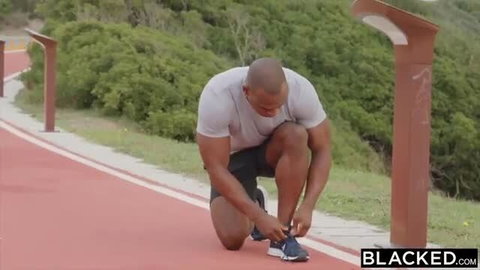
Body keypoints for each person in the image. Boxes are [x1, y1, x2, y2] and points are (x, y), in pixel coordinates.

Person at [196, 58, 331, 262]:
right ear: (246, 91)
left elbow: (322, 150)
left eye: (280, 106)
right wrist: (259, 216)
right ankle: (256, 203)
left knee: (296, 135)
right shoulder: (218, 95)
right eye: (267, 108)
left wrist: (308, 205)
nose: (275, 112)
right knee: (232, 239)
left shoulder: (301, 89)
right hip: (232, 161)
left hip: (275, 151)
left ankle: (282, 236)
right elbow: (215, 168)